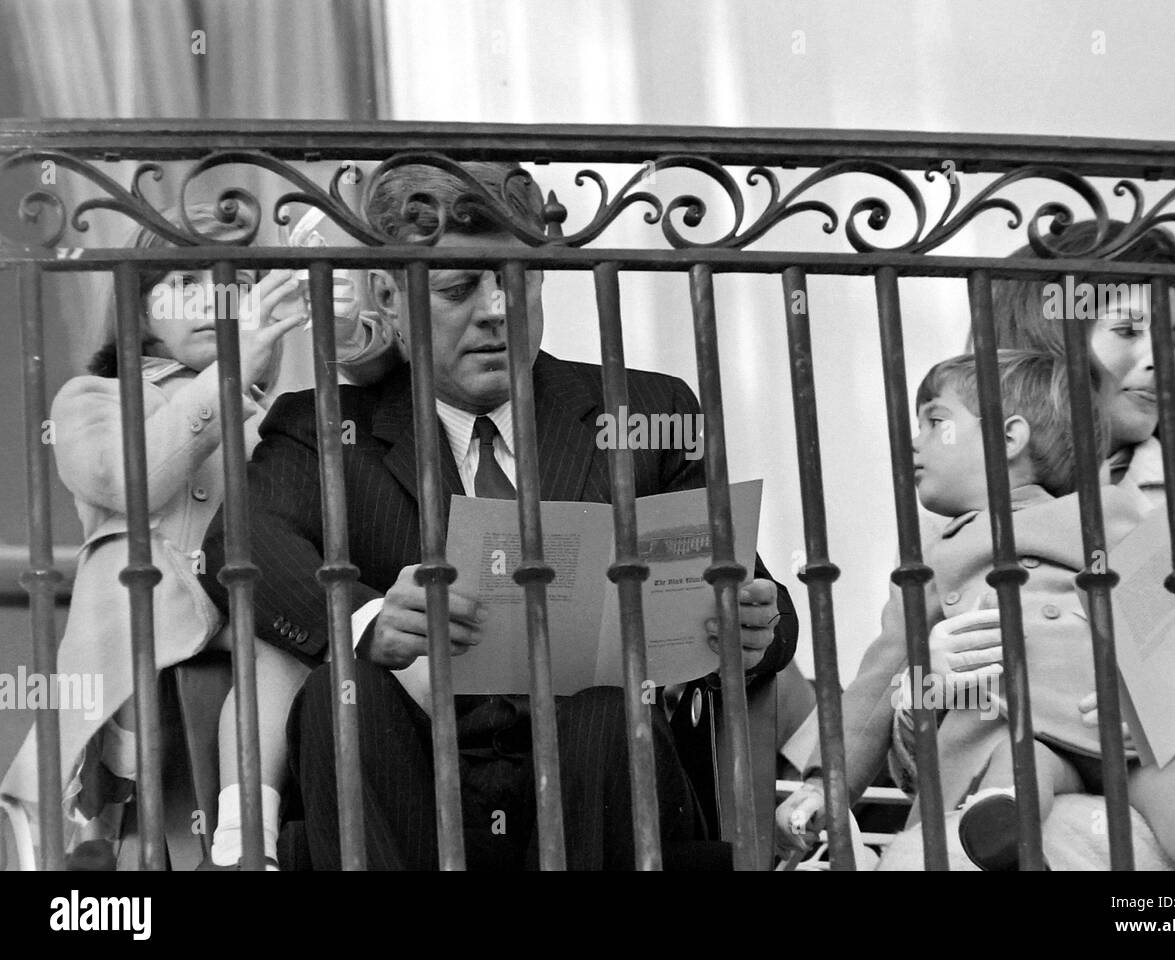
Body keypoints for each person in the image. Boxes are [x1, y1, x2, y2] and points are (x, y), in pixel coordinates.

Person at [198, 161, 798, 870]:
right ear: (389, 298)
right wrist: (368, 625)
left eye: (518, 281)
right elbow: (237, 544)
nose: (498, 310)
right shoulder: (325, 428)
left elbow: (755, 597)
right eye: (459, 289)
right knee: (348, 697)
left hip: (599, 791)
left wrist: (757, 629)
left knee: (606, 714)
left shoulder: (648, 411)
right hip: (415, 797)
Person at [777, 222, 1175, 869]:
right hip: (1017, 792)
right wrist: (929, 688)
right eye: (1130, 331)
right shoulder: (954, 533)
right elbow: (911, 766)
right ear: (1050, 338)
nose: (1162, 356)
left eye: (1173, 334)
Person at [0, 204, 309, 870]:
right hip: (139, 635)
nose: (212, 301)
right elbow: (129, 479)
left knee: (290, 640)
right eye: (185, 283)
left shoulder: (267, 419)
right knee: (136, 829)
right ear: (139, 312)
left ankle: (244, 832)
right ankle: (88, 838)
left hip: (238, 624)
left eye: (231, 288)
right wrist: (226, 380)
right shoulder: (89, 398)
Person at [880, 351, 1175, 870]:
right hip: (1013, 728)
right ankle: (1004, 832)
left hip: (1122, 738)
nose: (913, 440)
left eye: (934, 421)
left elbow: (1166, 628)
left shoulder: (1111, 516)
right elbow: (874, 689)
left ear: (1010, 439)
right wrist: (825, 779)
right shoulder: (931, 554)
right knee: (1015, 771)